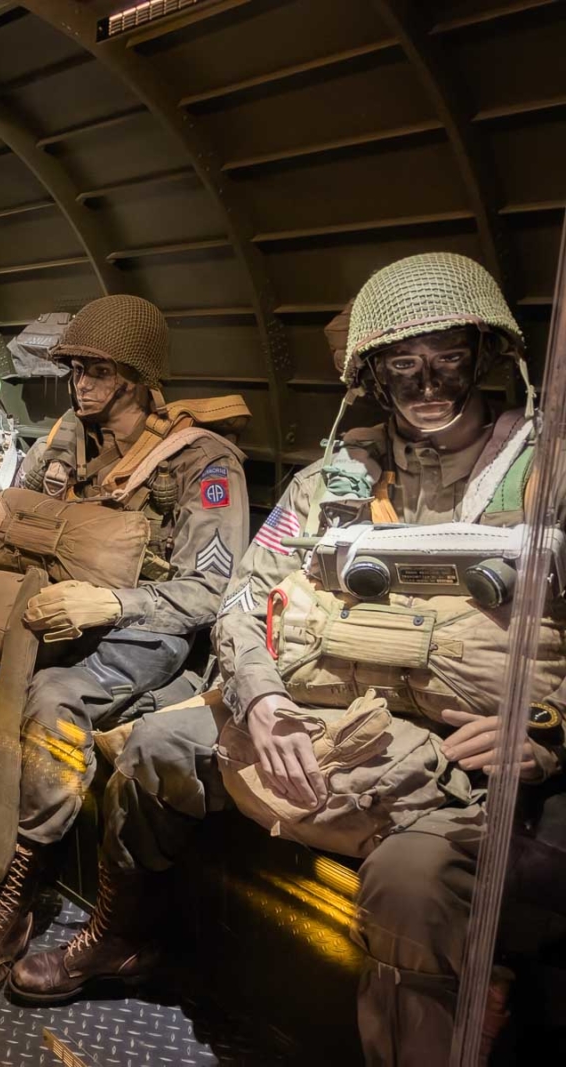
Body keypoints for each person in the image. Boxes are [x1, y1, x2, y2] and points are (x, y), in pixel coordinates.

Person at [204, 251, 564, 1066]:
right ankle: (123, 940)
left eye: (447, 359)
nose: (427, 383)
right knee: (160, 746)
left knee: (408, 884)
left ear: (486, 357)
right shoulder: (331, 480)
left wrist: (545, 721)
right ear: (370, 373)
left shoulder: (549, 475)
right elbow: (242, 594)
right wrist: (259, 698)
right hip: (336, 717)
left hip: (471, 755)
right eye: (401, 364)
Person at [0, 295, 251, 1004]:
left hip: (147, 630)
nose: (80, 383)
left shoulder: (203, 462)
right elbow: (13, 513)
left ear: (137, 375)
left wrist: (112, 602)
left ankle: (16, 892)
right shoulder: (70, 437)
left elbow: (210, 593)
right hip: (52, 604)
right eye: (74, 368)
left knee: (53, 697)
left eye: (97, 370)